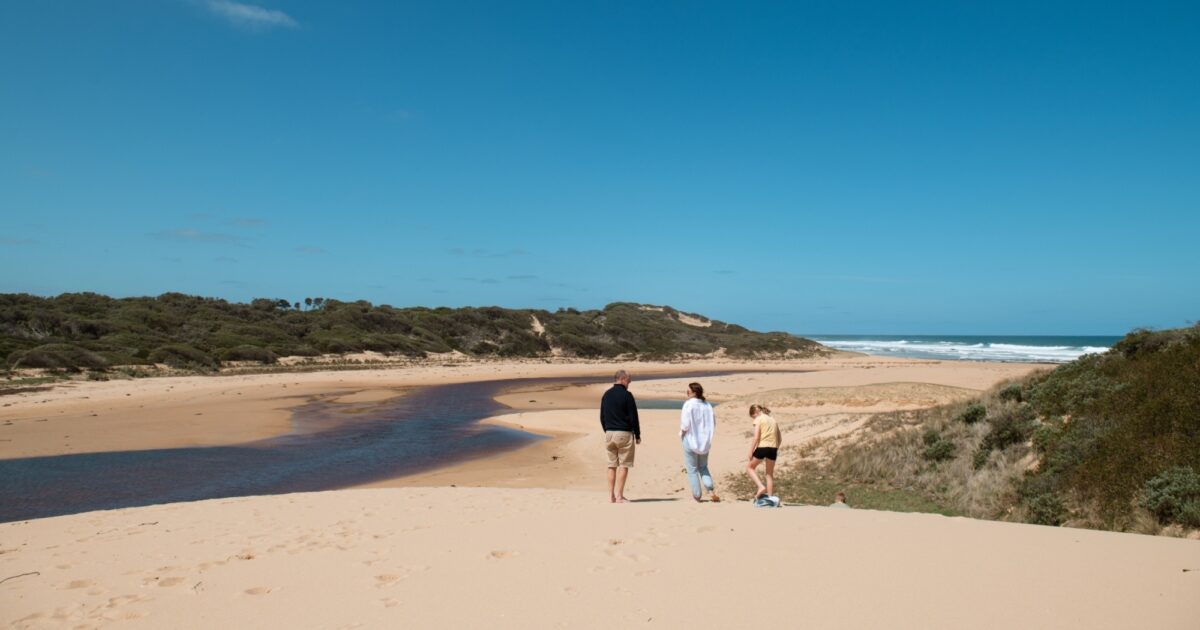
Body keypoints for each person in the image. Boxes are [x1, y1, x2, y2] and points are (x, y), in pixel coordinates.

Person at [600, 369, 641, 503]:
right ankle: (619, 496)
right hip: (624, 433)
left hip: (609, 433)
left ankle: (611, 495)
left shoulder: (606, 394)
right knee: (624, 465)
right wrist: (637, 434)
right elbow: (633, 416)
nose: (630, 382)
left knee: (611, 465)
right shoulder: (627, 395)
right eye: (629, 379)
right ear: (622, 379)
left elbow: (602, 416)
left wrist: (607, 429)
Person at [679, 382, 719, 503]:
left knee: (692, 469)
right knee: (703, 467)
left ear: (694, 392)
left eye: (688, 391)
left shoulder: (689, 404)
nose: (687, 393)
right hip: (704, 441)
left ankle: (697, 496)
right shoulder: (707, 405)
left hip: (690, 439)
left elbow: (685, 424)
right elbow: (713, 423)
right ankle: (710, 490)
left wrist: (682, 432)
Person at [745, 403, 781, 499]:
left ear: (755, 413)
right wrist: (775, 448)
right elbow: (780, 439)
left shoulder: (759, 419)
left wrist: (751, 451)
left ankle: (760, 486)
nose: (753, 419)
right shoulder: (773, 419)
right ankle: (770, 498)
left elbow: (756, 437)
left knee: (749, 467)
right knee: (769, 474)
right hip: (773, 448)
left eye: (753, 417)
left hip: (763, 447)